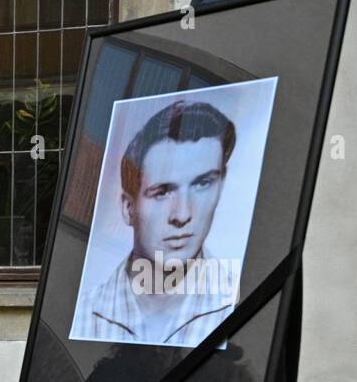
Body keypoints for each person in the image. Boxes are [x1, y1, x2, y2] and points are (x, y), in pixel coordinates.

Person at [73, 99, 243, 347]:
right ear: (128, 208)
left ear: (222, 185)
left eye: (203, 183)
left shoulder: (236, 306)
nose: (182, 215)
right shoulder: (84, 316)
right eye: (162, 192)